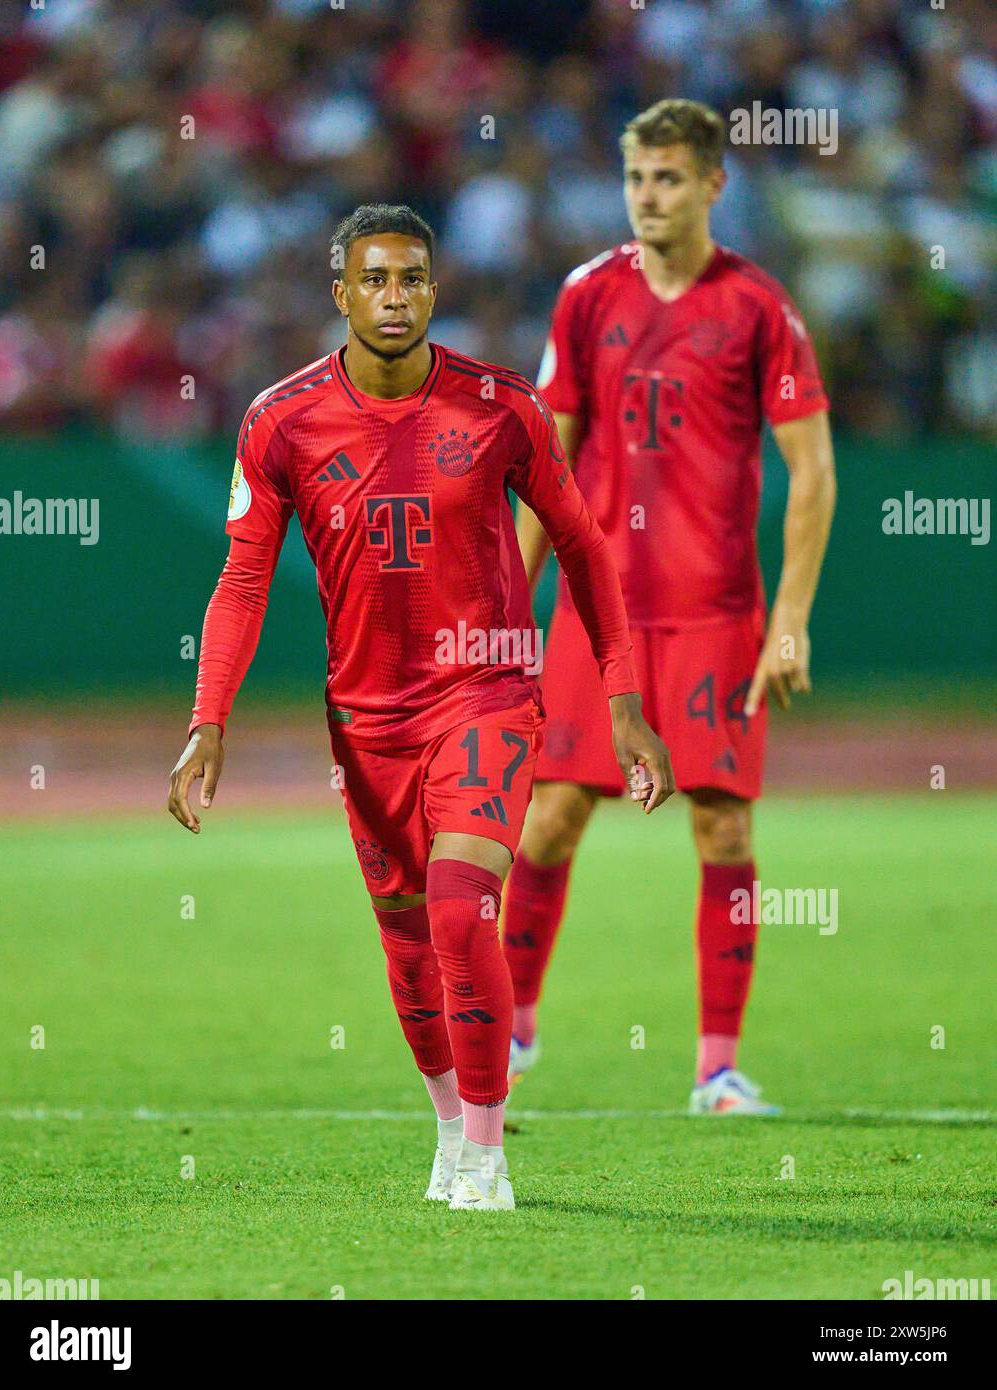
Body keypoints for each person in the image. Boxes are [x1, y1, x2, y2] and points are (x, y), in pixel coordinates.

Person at [167, 203, 674, 1209]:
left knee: (458, 910)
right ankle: (450, 1127)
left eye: (411, 278)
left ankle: (488, 1150)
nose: (394, 297)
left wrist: (622, 698)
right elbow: (241, 581)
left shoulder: (501, 406)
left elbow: (583, 547)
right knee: (406, 947)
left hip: (486, 690)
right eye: (375, 279)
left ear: (434, 290)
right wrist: (207, 718)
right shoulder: (279, 421)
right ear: (341, 293)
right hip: (365, 721)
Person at [502, 101, 836, 1115]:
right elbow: (546, 459)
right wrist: (509, 605)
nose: (649, 196)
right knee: (550, 819)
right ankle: (509, 1033)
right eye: (636, 178)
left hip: (715, 618)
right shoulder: (585, 295)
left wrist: (789, 618)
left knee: (725, 833)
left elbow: (813, 471)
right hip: (599, 616)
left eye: (670, 179)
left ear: (713, 185)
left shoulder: (757, 308)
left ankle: (716, 1067)